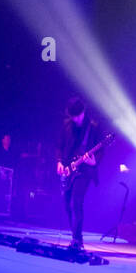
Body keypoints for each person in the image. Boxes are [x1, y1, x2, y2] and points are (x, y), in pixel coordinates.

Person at [56, 97, 103, 252]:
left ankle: (77, 240)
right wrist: (59, 162)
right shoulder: (67, 125)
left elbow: (101, 150)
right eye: (72, 116)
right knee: (66, 204)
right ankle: (75, 236)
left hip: (84, 171)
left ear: (83, 112)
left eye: (77, 115)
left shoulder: (93, 127)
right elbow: (60, 145)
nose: (75, 119)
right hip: (69, 170)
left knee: (76, 202)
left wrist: (94, 162)